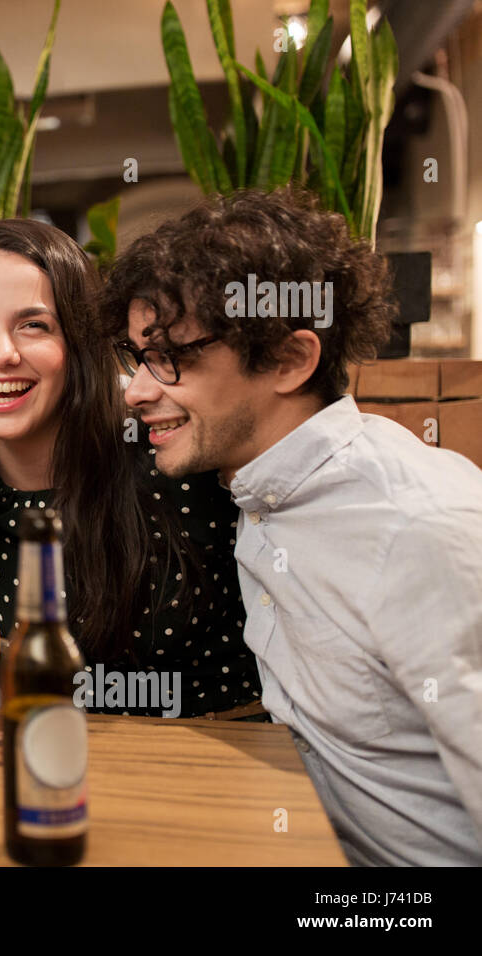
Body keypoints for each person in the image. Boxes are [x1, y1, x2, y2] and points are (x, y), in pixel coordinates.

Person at [101, 186, 482, 865]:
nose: (136, 390)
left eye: (168, 359)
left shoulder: (418, 526)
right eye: (137, 359)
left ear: (287, 359)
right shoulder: (254, 480)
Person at [0, 218, 257, 718]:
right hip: (39, 771)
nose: (1, 354)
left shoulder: (177, 458)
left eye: (34, 325)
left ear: (81, 342)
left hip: (214, 769)